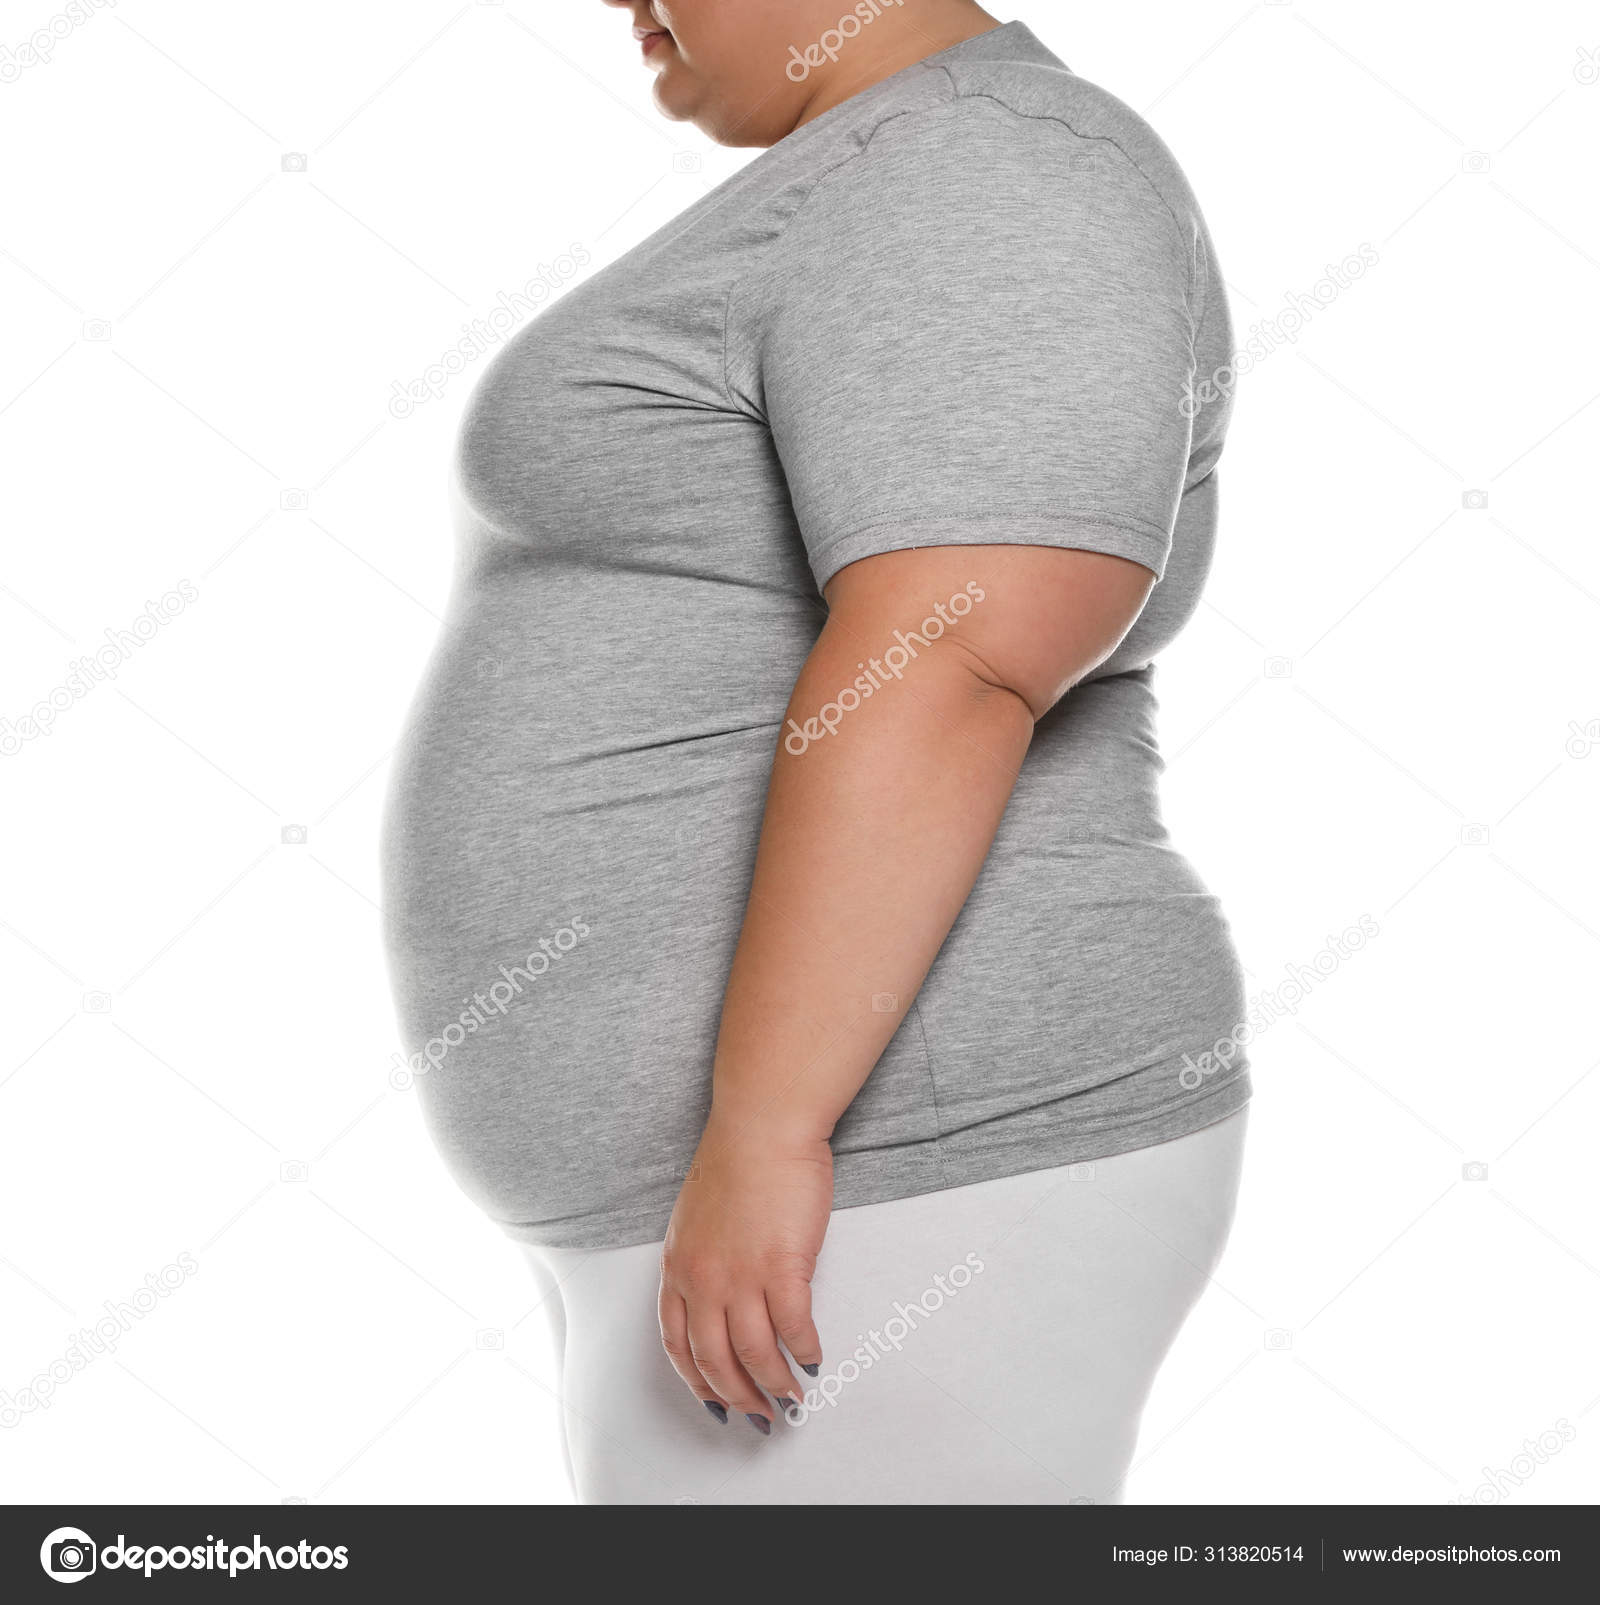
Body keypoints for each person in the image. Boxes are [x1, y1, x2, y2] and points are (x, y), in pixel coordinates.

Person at [382, 0, 1251, 1504]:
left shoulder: (991, 164)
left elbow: (960, 650)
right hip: (786, 1190)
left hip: (917, 1151)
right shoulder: (876, 176)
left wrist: (774, 1126)